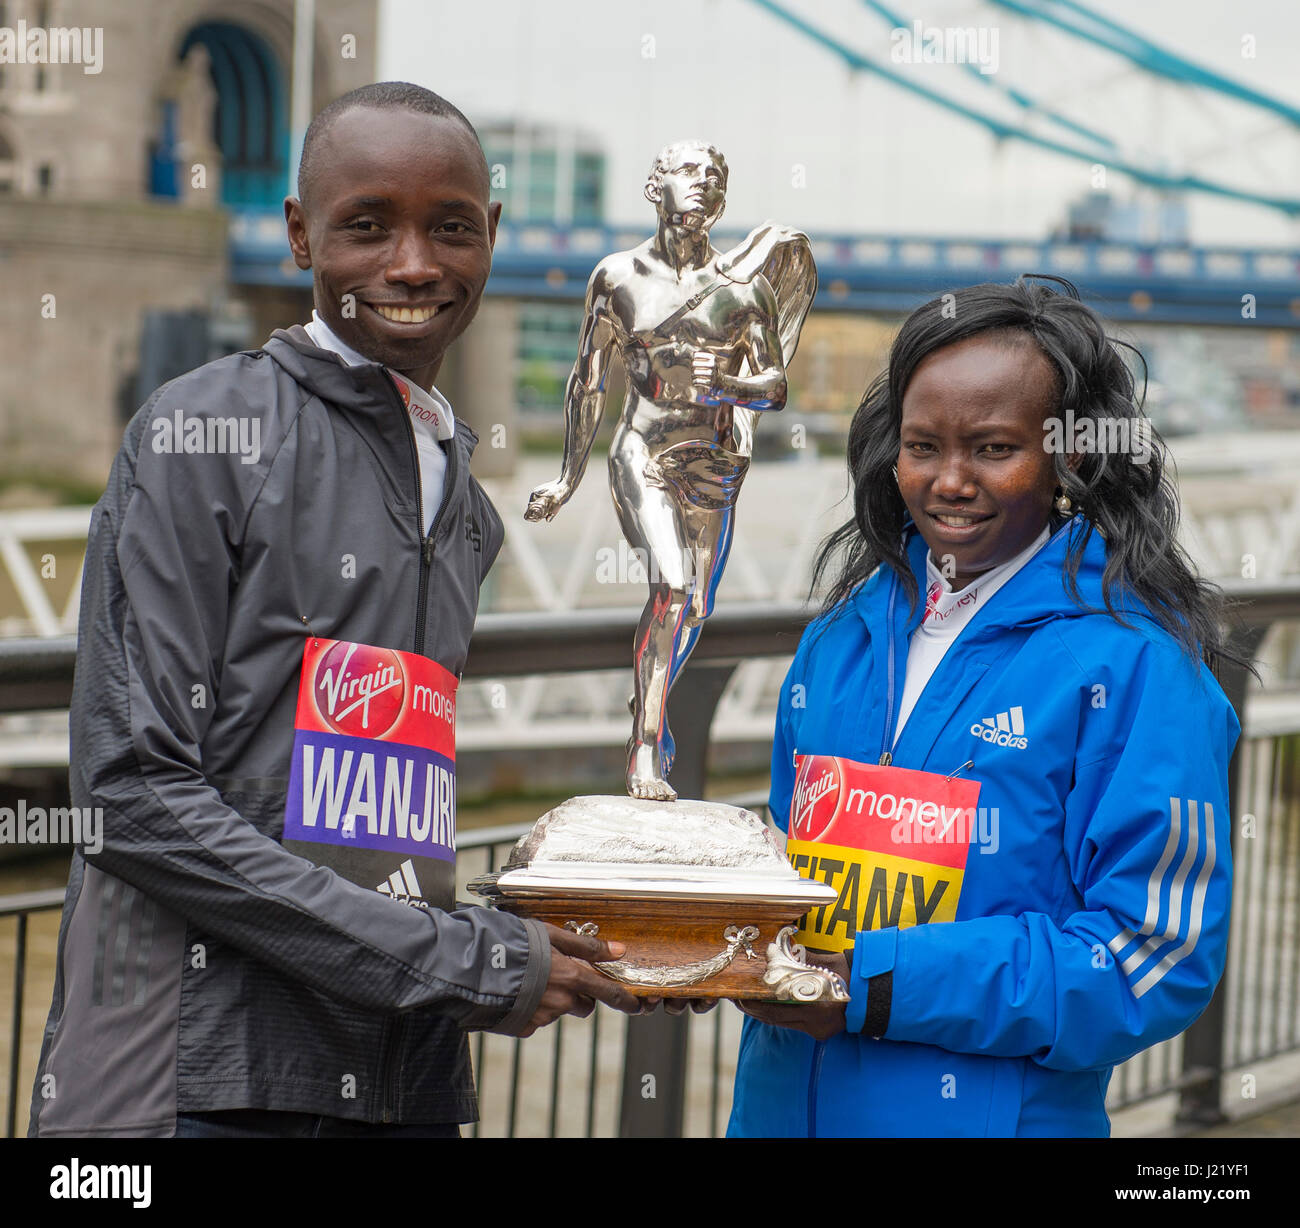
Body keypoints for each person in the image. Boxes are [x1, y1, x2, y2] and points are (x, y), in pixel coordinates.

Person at [28, 82, 638, 1140]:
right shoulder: (201, 434)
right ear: (301, 236)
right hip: (198, 1078)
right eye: (367, 226)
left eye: (451, 226)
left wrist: (515, 925)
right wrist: (460, 960)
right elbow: (130, 794)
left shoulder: (464, 500)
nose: (413, 264)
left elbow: (361, 801)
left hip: (403, 1068)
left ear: (490, 235)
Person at [728, 277, 1244, 1137]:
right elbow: (790, 887)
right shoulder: (839, 641)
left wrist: (872, 984)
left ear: (1070, 457)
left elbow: (1153, 959)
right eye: (924, 446)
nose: (950, 482)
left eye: (994, 448)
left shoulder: (1138, 666)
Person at [524, 140, 814, 801]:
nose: (706, 183)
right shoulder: (616, 279)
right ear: (655, 186)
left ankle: (648, 695)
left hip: (711, 464)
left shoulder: (744, 295)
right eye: (691, 171)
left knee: (698, 606)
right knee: (674, 588)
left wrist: (733, 385)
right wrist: (567, 480)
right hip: (643, 453)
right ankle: (646, 750)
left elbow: (773, 387)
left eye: (717, 176)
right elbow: (589, 382)